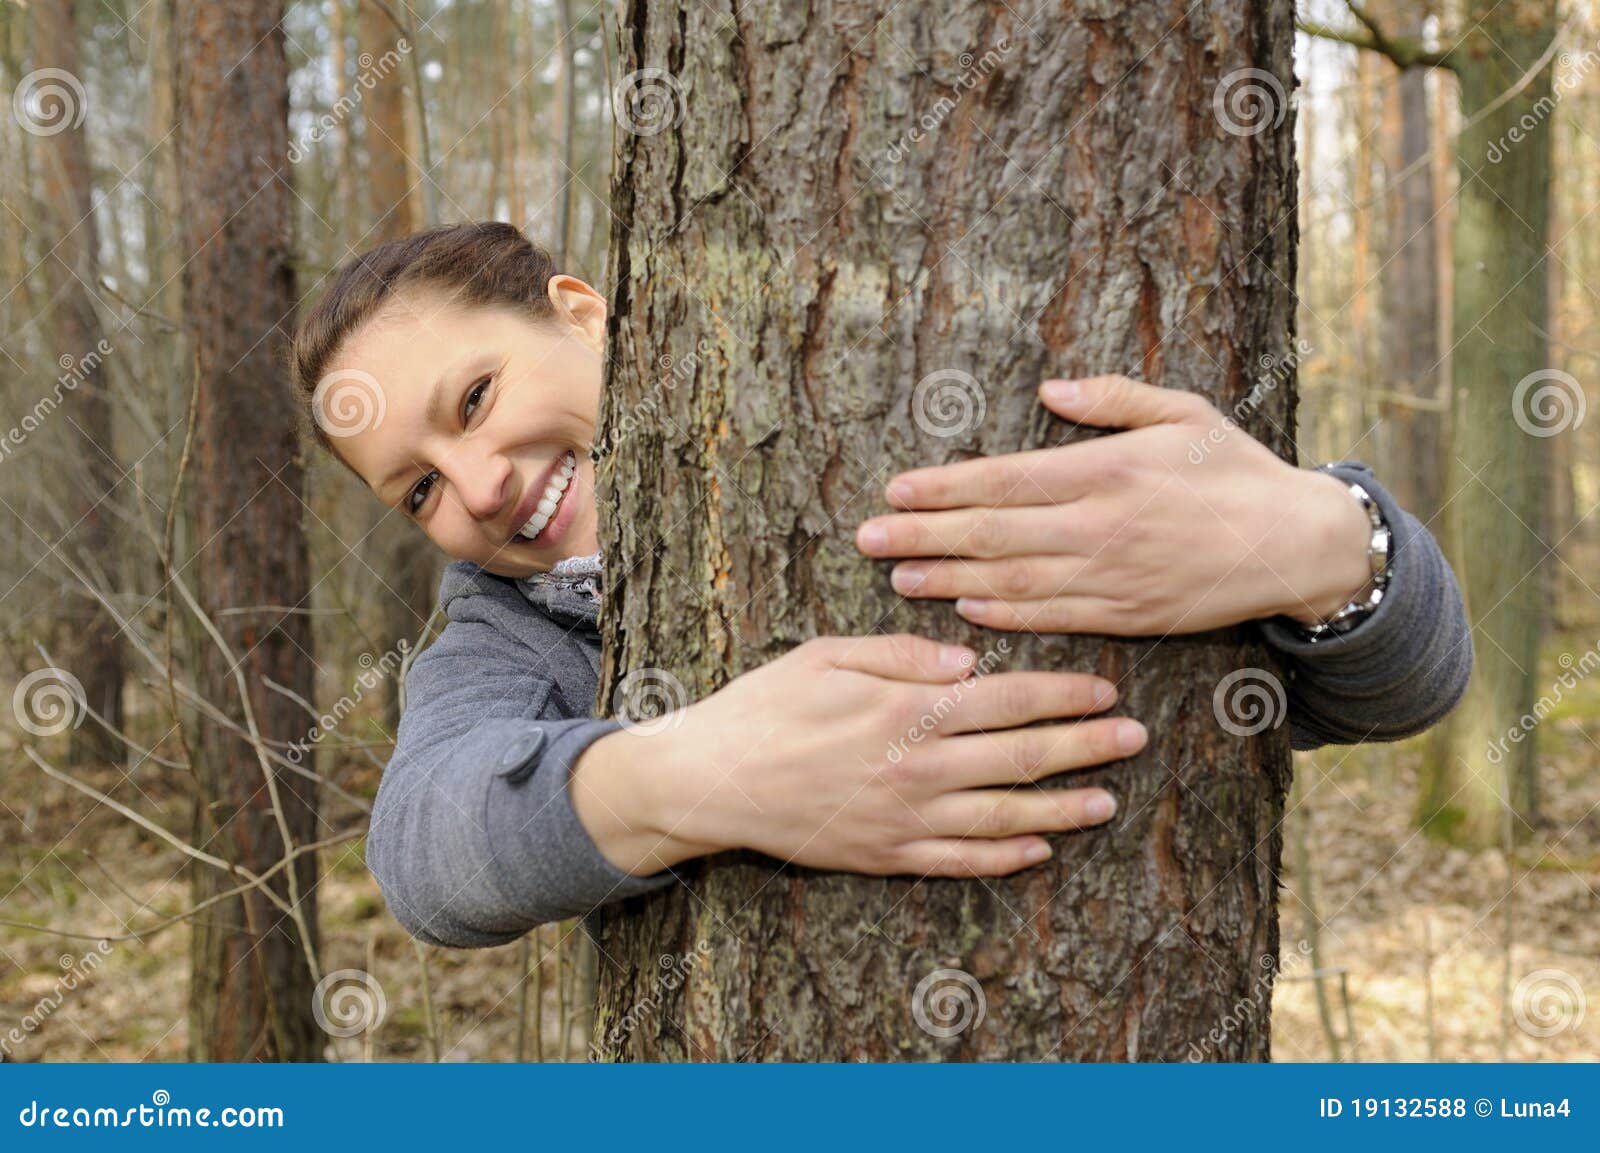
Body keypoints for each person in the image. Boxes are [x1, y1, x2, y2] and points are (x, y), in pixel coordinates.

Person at [289, 222, 1472, 949]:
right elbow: (422, 855)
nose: (479, 489)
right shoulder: (510, 621)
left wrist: (1327, 539)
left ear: (579, 311)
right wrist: (698, 777)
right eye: (418, 491)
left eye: (476, 399)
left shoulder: (885, 391)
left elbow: (1399, 690)